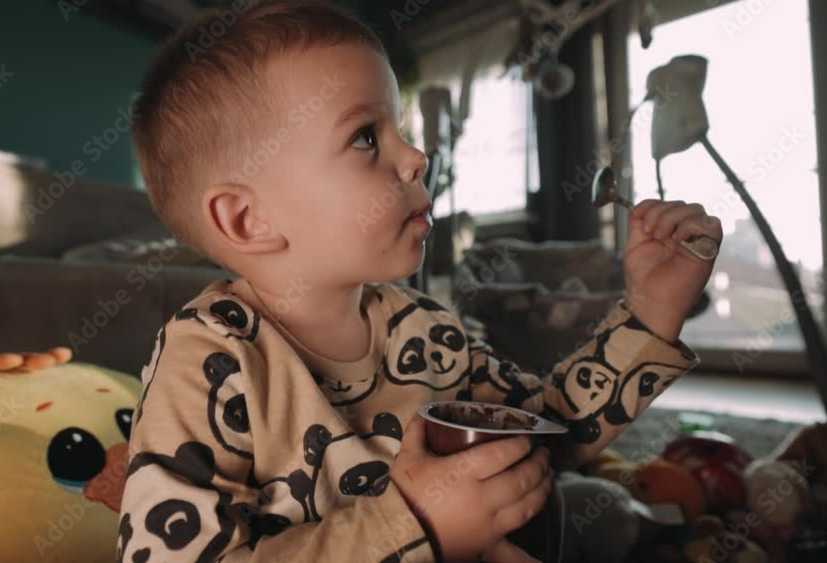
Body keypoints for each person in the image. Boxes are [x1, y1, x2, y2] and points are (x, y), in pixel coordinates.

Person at [117, 1, 723, 561]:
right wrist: (417, 526)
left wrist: (650, 312)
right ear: (249, 220)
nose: (416, 157)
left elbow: (547, 432)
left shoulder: (425, 327)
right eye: (365, 137)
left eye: (401, 130)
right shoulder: (210, 360)